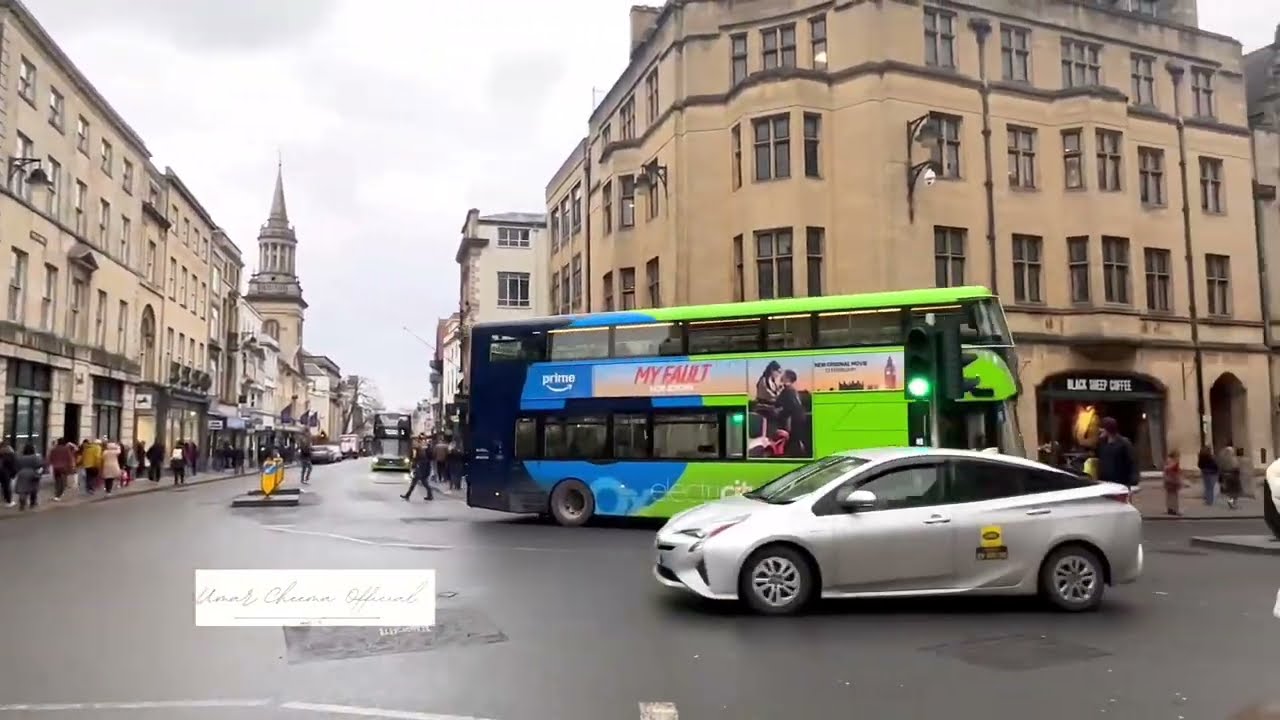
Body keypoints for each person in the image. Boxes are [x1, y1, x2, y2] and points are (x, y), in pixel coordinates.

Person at [1095, 418, 1138, 494]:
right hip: (1105, 483)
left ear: (1108, 429)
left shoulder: (1124, 443)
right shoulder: (1102, 444)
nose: (1100, 431)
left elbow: (1132, 462)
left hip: (1121, 483)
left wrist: (1133, 480)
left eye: (1102, 429)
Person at [13, 443, 44, 511]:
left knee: (23, 489)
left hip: (22, 473)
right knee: (33, 489)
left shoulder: (20, 457)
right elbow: (40, 465)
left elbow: (16, 466)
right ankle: (32, 503)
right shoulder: (36, 457)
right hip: (33, 473)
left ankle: (22, 504)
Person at [1218, 444, 1241, 510]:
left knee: (1230, 491)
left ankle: (1231, 501)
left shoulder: (1223, 460)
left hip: (1226, 476)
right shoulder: (1233, 459)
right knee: (1235, 491)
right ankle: (1232, 503)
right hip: (1233, 476)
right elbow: (1236, 467)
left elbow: (1221, 468)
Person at [1162, 450, 1183, 516]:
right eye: (1178, 456)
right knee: (1174, 496)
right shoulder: (1172, 461)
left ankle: (1170, 509)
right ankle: (1175, 510)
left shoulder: (1169, 461)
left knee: (1170, 496)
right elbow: (1170, 470)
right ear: (1174, 456)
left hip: (1170, 481)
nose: (1179, 457)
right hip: (1172, 481)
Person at [0, 441, 14, 507]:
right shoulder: (10, 453)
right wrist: (13, 473)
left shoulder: (2, 453)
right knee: (7, 486)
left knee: (4, 486)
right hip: (6, 472)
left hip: (3, 472)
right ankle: (8, 501)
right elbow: (12, 464)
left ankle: (5, 499)